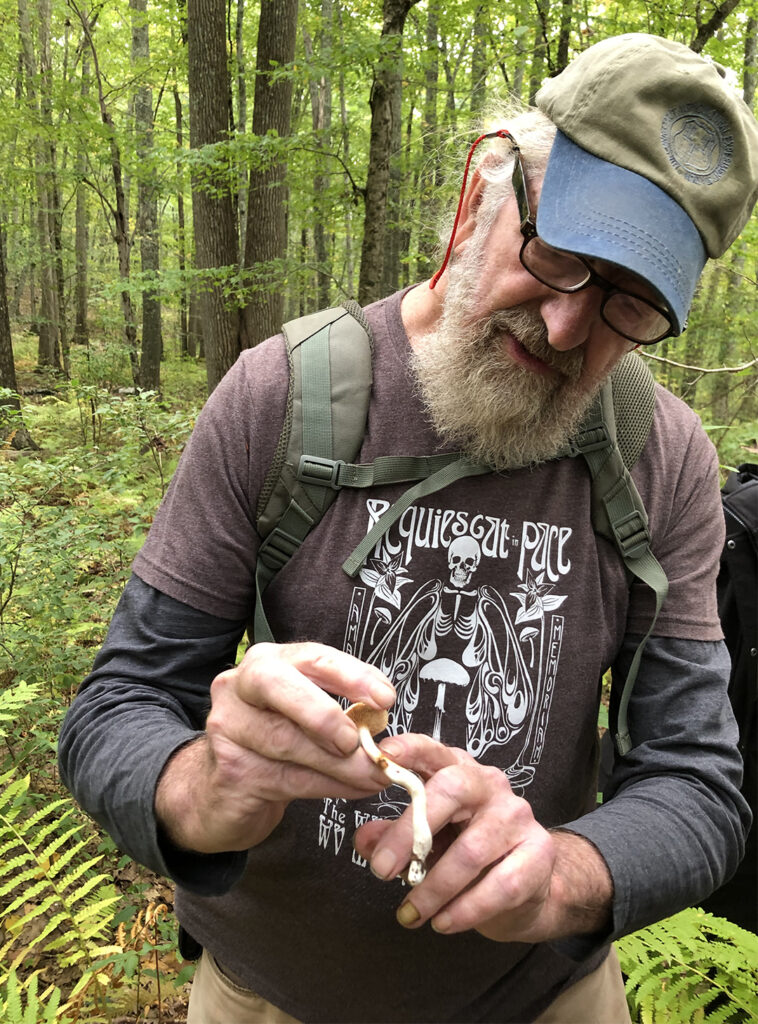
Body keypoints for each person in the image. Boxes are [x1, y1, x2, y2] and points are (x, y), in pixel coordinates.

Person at [59, 33, 758, 1024]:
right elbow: (116, 707)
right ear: (483, 189)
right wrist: (202, 787)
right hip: (269, 995)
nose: (566, 328)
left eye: (628, 302)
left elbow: (695, 782)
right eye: (558, 255)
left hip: (542, 1002)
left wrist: (562, 873)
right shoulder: (280, 396)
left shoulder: (660, 458)